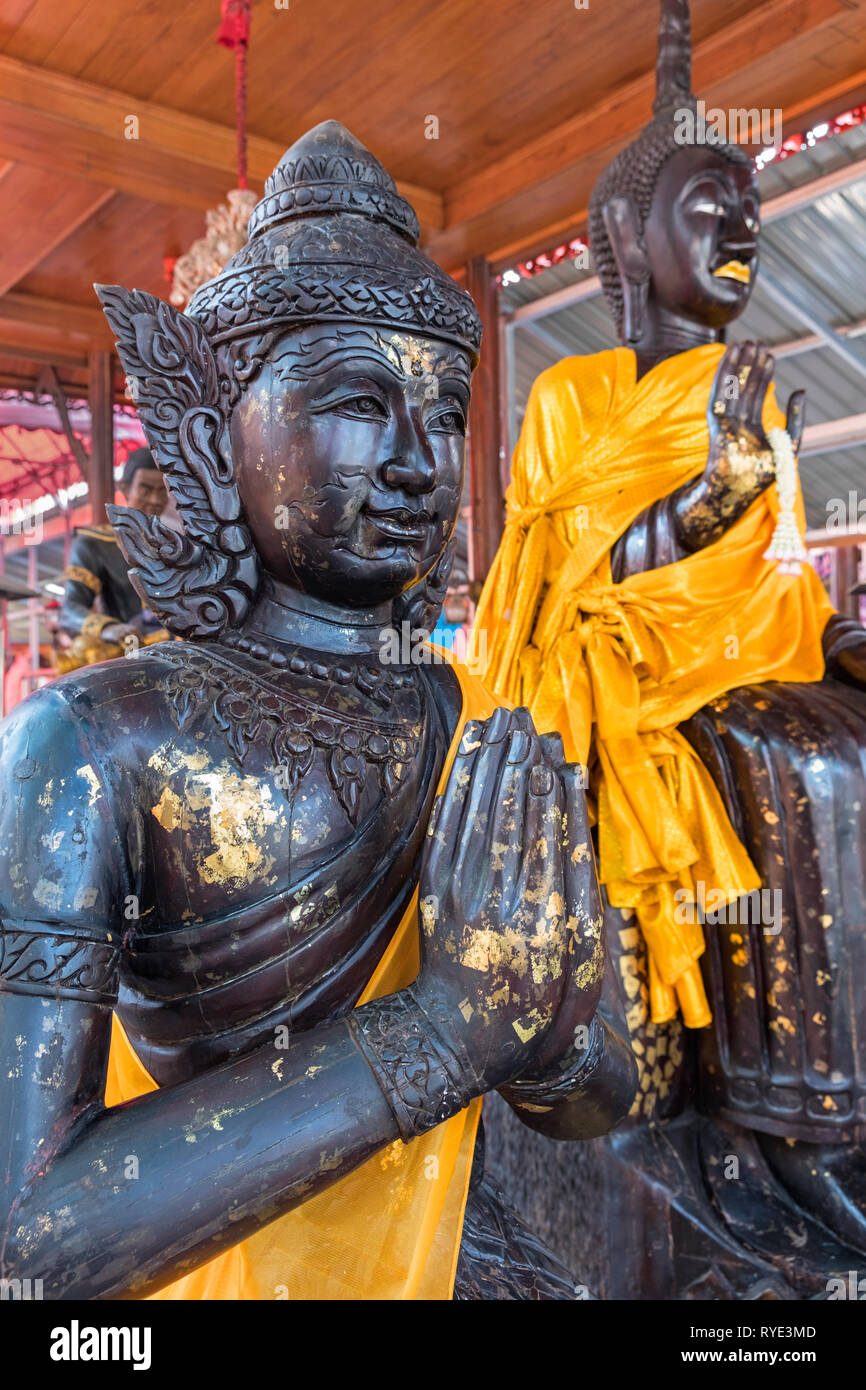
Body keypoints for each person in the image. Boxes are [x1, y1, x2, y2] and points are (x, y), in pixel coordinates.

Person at [0, 122, 635, 1302]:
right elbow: (31, 1245)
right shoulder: (93, 741)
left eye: (443, 412)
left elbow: (607, 1088)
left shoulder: (472, 715)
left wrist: (548, 1029)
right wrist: (445, 1032)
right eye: (355, 401)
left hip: (463, 1253)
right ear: (211, 431)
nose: (416, 460)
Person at [474, 0, 866, 1294]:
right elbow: (558, 572)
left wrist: (825, 618)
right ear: (627, 238)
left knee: (833, 717)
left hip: (735, 654)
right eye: (709, 202)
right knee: (799, 760)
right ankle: (790, 1117)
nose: (743, 226)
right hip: (609, 691)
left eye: (748, 203)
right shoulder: (573, 395)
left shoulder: (749, 386)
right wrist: (700, 499)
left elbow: (767, 585)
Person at [59, 446, 168, 653]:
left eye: (162, 491)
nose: (154, 500)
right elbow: (69, 612)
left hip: (179, 654)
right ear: (125, 488)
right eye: (145, 490)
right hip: (130, 653)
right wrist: (109, 628)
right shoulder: (93, 544)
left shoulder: (176, 546)